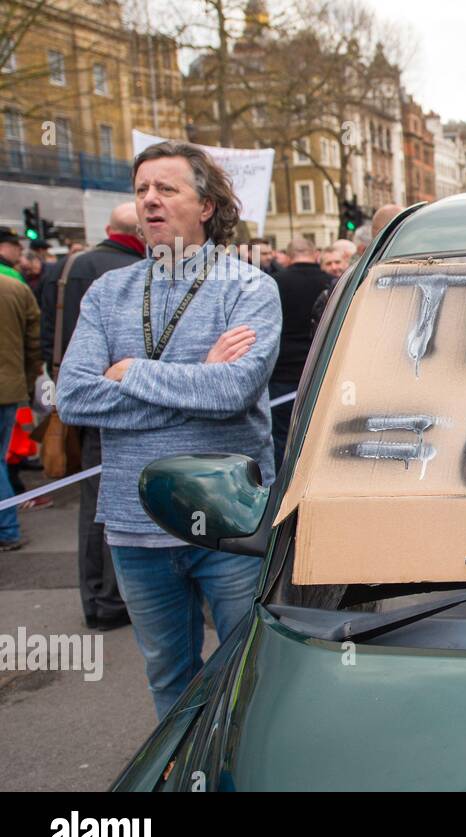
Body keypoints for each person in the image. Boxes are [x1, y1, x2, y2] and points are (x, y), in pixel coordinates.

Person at [57, 140, 281, 718]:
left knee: (247, 674)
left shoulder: (249, 287)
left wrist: (130, 371)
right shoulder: (108, 293)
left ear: (206, 206)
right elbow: (75, 397)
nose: (149, 201)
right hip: (136, 525)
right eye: (141, 190)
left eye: (167, 188)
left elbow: (233, 392)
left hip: (231, 521)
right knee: (169, 680)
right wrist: (194, 380)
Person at [38, 202, 146, 630]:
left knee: (92, 499)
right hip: (117, 393)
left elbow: (48, 332)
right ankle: (113, 595)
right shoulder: (130, 275)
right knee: (119, 498)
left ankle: (98, 596)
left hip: (79, 390)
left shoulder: (67, 268)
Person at [269, 237, 332, 466]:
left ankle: (285, 490)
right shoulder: (333, 283)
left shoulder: (275, 283)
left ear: (287, 257)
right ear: (316, 254)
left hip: (284, 374)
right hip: (322, 371)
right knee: (320, 438)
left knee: (284, 441)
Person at [0, 227, 41, 552]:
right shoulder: (14, 285)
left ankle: (8, 528)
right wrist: (28, 380)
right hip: (10, 386)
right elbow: (34, 342)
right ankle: (9, 527)